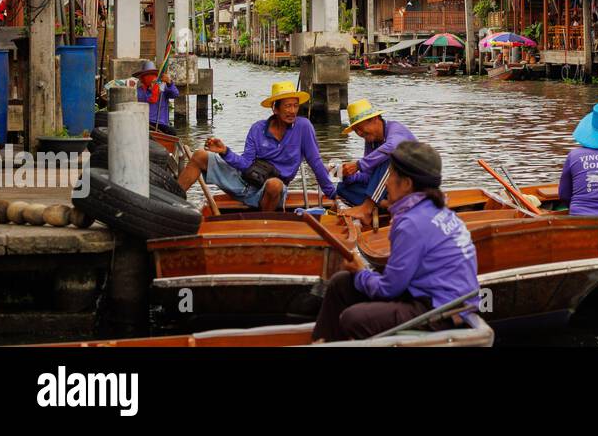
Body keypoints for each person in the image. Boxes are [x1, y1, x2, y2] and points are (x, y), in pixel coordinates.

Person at [313, 141, 479, 341]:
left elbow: (388, 289)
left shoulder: (412, 223)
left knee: (353, 319)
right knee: (342, 284)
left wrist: (361, 272)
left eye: (391, 175)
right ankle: (321, 343)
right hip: (432, 298)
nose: (386, 183)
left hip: (441, 311)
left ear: (407, 184)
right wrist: (360, 276)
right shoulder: (438, 211)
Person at [177, 79, 336, 211]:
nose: (293, 111)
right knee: (200, 156)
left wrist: (332, 193)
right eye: (288, 106)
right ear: (275, 108)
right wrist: (225, 151)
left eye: (295, 105)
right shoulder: (258, 129)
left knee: (274, 184)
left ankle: (264, 223)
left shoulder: (303, 127)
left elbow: (315, 162)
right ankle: (172, 201)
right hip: (245, 182)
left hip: (272, 191)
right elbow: (246, 163)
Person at [337, 97, 416, 222]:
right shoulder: (371, 141)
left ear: (374, 119)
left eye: (360, 127)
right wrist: (347, 175)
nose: (359, 133)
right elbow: (369, 176)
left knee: (392, 157)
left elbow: (393, 146)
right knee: (342, 187)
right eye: (356, 130)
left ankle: (367, 209)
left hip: (410, 187)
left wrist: (358, 165)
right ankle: (384, 205)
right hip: (387, 191)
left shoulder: (395, 130)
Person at [134, 59, 179, 131]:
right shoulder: (139, 91)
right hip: (145, 124)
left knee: (172, 132)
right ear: (142, 78)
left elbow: (175, 94)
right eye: (147, 76)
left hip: (161, 124)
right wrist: (152, 90)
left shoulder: (163, 89)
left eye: (152, 76)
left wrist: (169, 82)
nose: (150, 78)